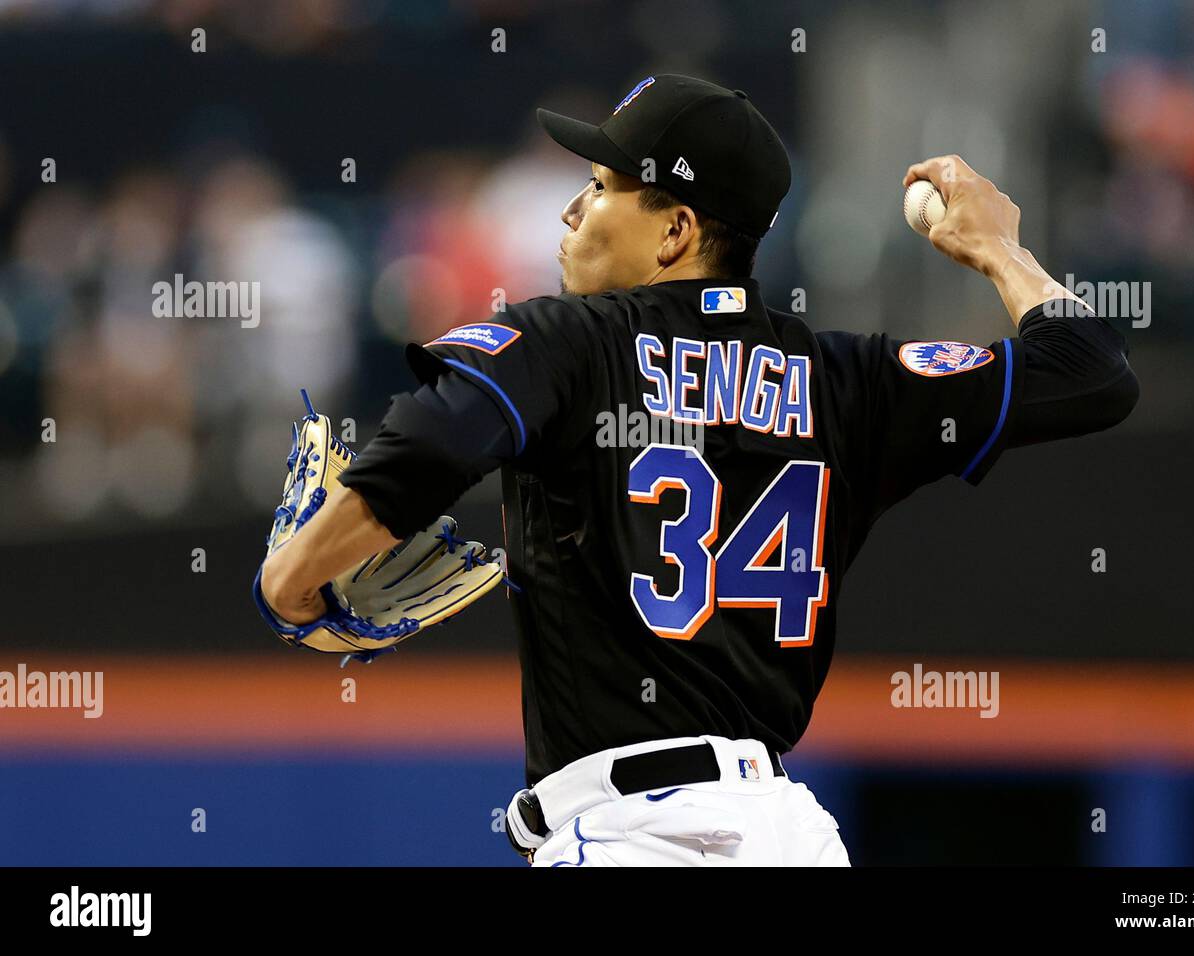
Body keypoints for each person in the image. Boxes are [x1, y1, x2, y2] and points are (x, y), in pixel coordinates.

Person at [259, 74, 1139, 866]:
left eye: (603, 189)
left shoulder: (570, 342)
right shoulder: (851, 382)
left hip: (635, 833)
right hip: (787, 835)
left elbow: (430, 442)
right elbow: (1091, 374)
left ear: (677, 230)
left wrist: (292, 583)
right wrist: (999, 250)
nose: (573, 209)